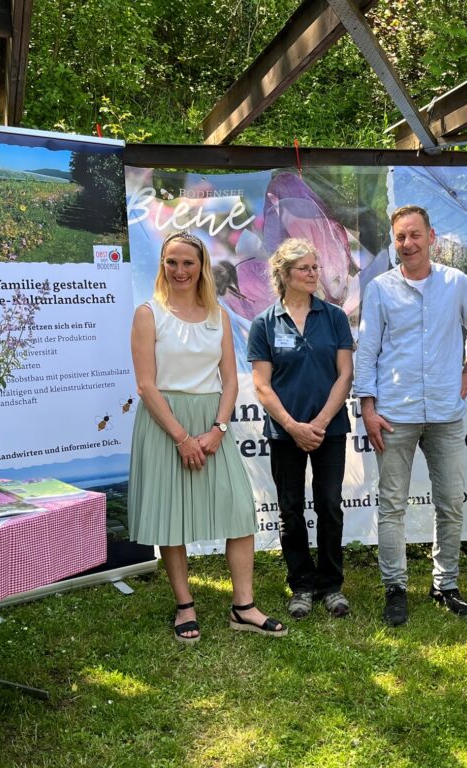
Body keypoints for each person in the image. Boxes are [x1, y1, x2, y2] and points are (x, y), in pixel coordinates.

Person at [128, 230, 287, 644]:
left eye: (188, 262)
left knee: (238, 512)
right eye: (171, 262)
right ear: (162, 266)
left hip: (212, 422)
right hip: (165, 422)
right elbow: (146, 386)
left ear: (201, 267)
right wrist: (182, 437)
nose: (180, 270)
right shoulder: (148, 313)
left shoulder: (217, 314)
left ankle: (244, 606)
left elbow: (232, 381)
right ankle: (185, 606)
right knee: (172, 519)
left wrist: (217, 430)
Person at [354, 204, 467, 627]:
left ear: (431, 236)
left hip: (447, 415)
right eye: (400, 237)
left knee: (450, 502)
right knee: (392, 505)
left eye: (415, 235)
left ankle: (445, 585)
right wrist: (368, 409)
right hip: (394, 414)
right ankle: (395, 588)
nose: (407, 243)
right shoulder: (379, 289)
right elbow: (368, 351)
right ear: (394, 243)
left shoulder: (456, 283)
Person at [248, 238, 354, 620]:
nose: (314, 274)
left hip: (330, 430)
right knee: (290, 511)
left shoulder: (335, 317)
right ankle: (302, 586)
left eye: (315, 267)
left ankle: (331, 585)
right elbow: (262, 385)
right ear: (284, 274)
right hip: (284, 433)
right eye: (305, 268)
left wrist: (321, 423)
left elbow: (345, 375)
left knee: (329, 506)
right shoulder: (264, 323)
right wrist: (293, 427)